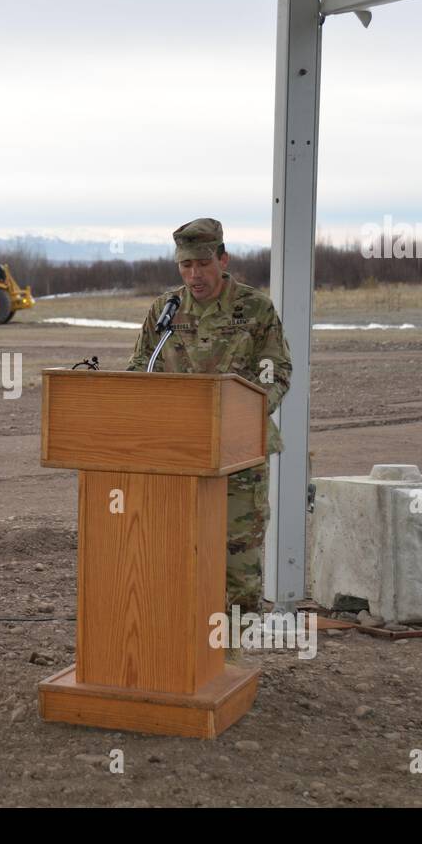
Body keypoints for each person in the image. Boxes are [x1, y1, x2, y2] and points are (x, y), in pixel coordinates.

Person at [126, 218, 292, 612]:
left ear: (222, 259)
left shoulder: (254, 308)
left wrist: (241, 412)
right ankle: (184, 649)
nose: (194, 275)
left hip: (240, 453)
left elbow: (276, 372)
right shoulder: (165, 310)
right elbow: (139, 367)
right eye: (185, 266)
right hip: (177, 453)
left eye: (202, 264)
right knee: (177, 554)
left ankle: (233, 656)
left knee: (238, 561)